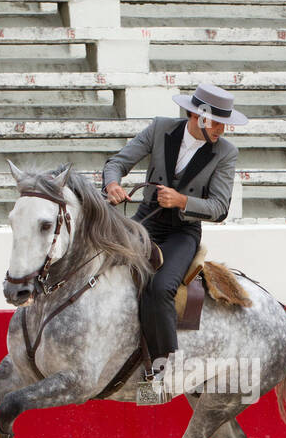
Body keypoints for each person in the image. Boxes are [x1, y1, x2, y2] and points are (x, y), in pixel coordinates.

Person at [102, 82, 247, 403]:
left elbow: (219, 208)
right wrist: (112, 184)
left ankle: (163, 372)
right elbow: (117, 162)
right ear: (199, 117)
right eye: (219, 121)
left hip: (183, 233)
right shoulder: (160, 128)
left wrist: (182, 200)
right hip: (145, 222)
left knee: (160, 288)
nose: (223, 129)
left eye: (225, 123)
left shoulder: (226, 152)